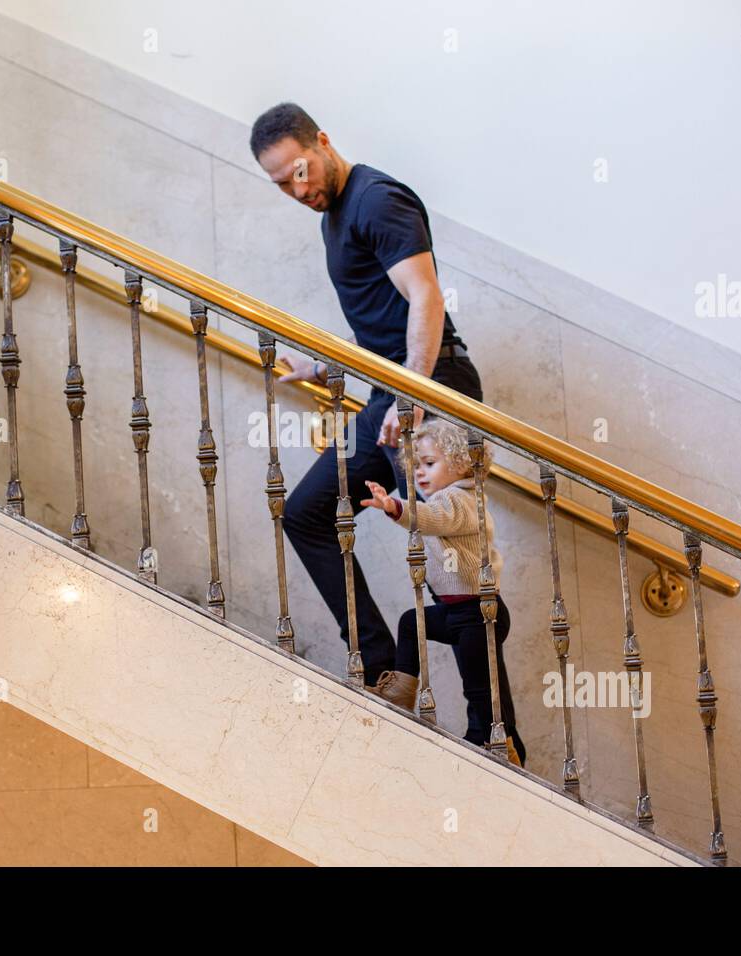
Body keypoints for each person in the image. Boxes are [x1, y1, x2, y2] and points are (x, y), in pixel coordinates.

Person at [250, 101, 483, 687]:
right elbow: (385, 318)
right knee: (307, 513)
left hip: (432, 390)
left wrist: (413, 396)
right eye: (281, 184)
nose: (296, 189)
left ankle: (494, 729)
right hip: (396, 394)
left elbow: (425, 297)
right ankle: (384, 669)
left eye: (299, 171)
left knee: (448, 570)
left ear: (323, 142)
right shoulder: (335, 218)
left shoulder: (377, 199)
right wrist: (321, 363)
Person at [360, 417, 525, 767]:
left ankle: (504, 748)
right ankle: (403, 689)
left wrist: (393, 506)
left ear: (462, 462)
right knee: (412, 623)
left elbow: (432, 518)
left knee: (479, 690)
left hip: (478, 613)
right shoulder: (449, 497)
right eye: (416, 465)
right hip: (458, 612)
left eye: (430, 464)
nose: (420, 473)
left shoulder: (461, 500)